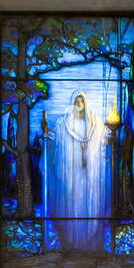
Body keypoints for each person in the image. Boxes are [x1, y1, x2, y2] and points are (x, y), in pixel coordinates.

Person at [44, 91, 111, 253]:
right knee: (72, 203)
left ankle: (91, 244)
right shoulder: (63, 123)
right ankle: (71, 242)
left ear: (86, 103)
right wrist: (46, 132)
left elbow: (105, 138)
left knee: (89, 202)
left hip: (90, 175)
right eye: (76, 101)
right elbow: (53, 139)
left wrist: (108, 139)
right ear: (72, 103)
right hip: (71, 175)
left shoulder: (96, 123)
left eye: (81, 101)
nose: (79, 104)